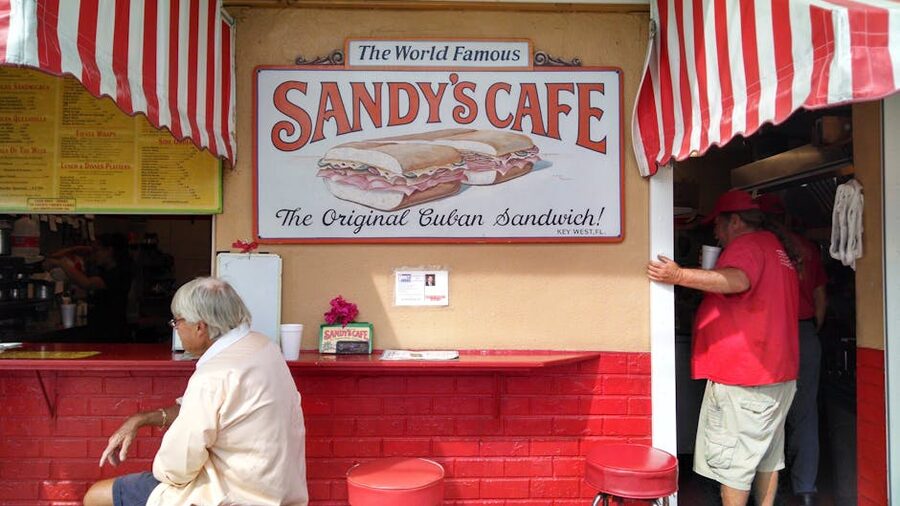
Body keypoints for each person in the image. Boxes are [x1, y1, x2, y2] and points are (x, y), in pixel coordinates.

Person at [83, 277, 309, 506]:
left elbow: (177, 469)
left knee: (96, 496)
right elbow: (208, 410)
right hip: (277, 490)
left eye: (177, 322)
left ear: (200, 327)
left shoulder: (213, 375)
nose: (176, 329)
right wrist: (141, 419)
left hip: (232, 494)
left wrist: (162, 469)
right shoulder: (263, 346)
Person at [647, 190, 800, 506]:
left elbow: (737, 280)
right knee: (766, 457)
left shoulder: (745, 247)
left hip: (746, 379)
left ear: (736, 222)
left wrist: (677, 275)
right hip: (776, 374)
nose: (715, 232)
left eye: (718, 224)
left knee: (734, 465)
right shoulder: (774, 247)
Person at [757, 193, 828, 506]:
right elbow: (821, 299)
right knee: (806, 414)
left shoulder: (764, 249)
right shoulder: (807, 249)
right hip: (806, 332)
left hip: (775, 335)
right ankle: (806, 490)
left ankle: (768, 489)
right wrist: (810, 330)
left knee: (768, 410)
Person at [44, 233, 133, 340]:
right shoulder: (102, 269)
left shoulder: (119, 273)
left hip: (113, 333)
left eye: (97, 250)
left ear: (109, 250)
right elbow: (51, 258)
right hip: (98, 330)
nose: (94, 254)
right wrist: (74, 249)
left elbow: (87, 283)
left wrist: (63, 264)